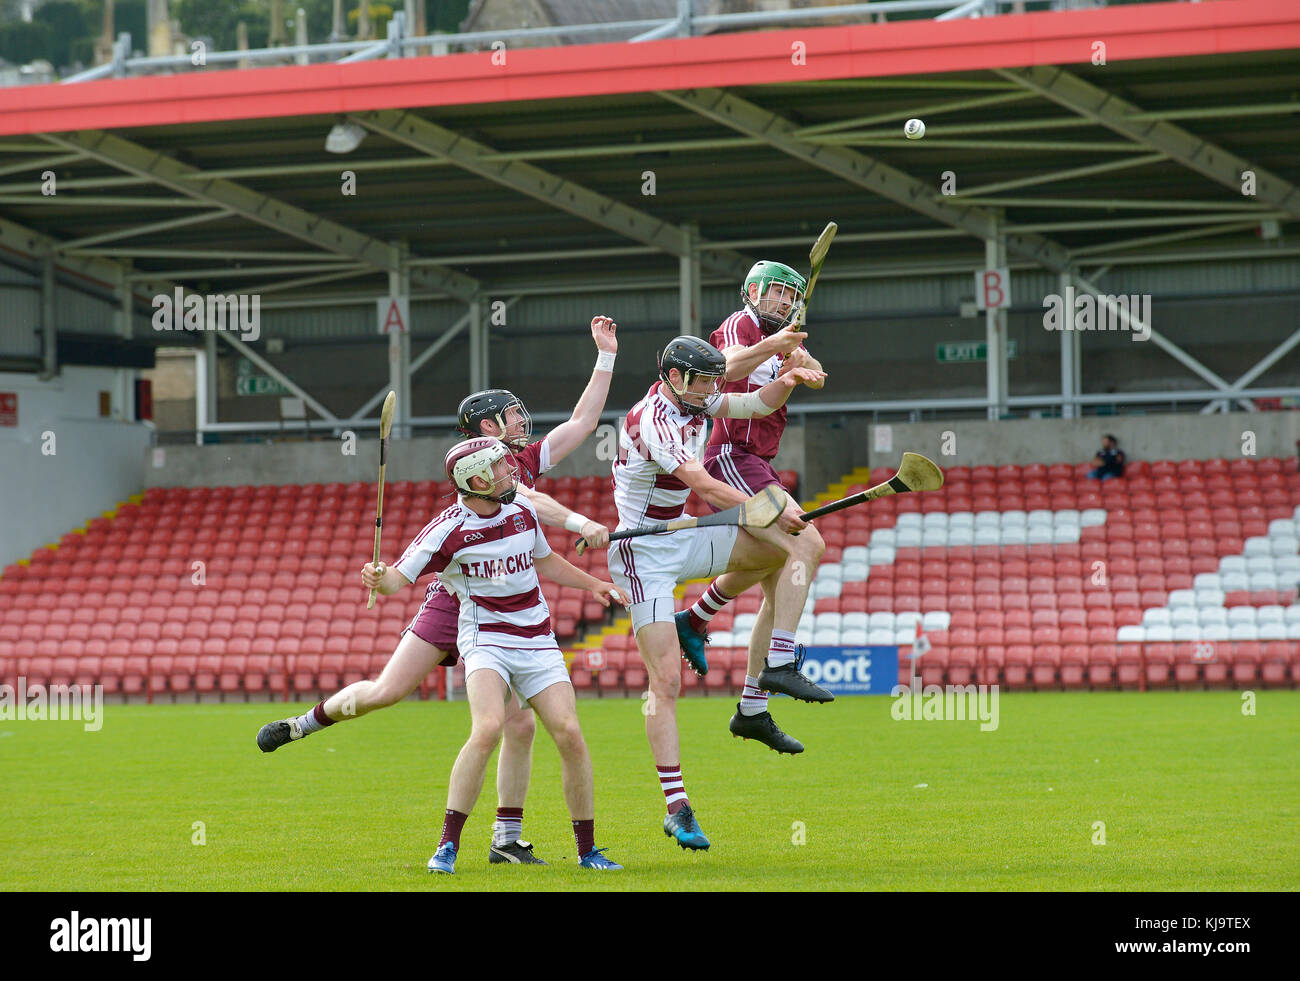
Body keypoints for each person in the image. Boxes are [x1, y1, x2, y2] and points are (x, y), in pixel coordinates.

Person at [255, 316, 620, 867]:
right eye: (513, 415)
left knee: (520, 724)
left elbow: (585, 420)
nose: (523, 422)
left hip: (507, 595)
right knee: (387, 691)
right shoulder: (490, 475)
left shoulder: (517, 463)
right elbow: (534, 504)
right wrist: (579, 522)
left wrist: (605, 356)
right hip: (459, 599)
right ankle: (304, 723)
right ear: (487, 429)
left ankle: (505, 840)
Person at [365, 437, 628, 874]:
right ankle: (447, 846)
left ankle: (588, 850)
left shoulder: (522, 512)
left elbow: (546, 562)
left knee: (569, 733)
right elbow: (398, 578)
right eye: (502, 468)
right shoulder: (447, 529)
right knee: (487, 728)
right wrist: (379, 577)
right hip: (485, 639)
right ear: (477, 479)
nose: (511, 472)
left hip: (537, 639)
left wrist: (593, 584)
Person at [606, 335, 826, 852]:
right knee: (665, 684)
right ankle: (677, 807)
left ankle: (698, 620)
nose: (711, 391)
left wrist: (786, 381)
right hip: (644, 554)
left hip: (680, 535)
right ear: (675, 378)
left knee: (781, 552)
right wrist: (769, 507)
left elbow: (752, 403)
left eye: (712, 382)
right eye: (703, 381)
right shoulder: (653, 418)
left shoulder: (696, 397)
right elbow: (702, 483)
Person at [674, 261, 832, 744]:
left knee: (773, 569)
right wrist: (777, 349)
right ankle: (781, 659)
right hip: (729, 453)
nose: (782, 302)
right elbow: (723, 369)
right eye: (775, 292)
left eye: (790, 296)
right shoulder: (740, 326)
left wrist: (800, 369)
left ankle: (751, 708)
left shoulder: (786, 338)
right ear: (752, 292)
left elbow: (819, 376)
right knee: (808, 546)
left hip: (760, 460)